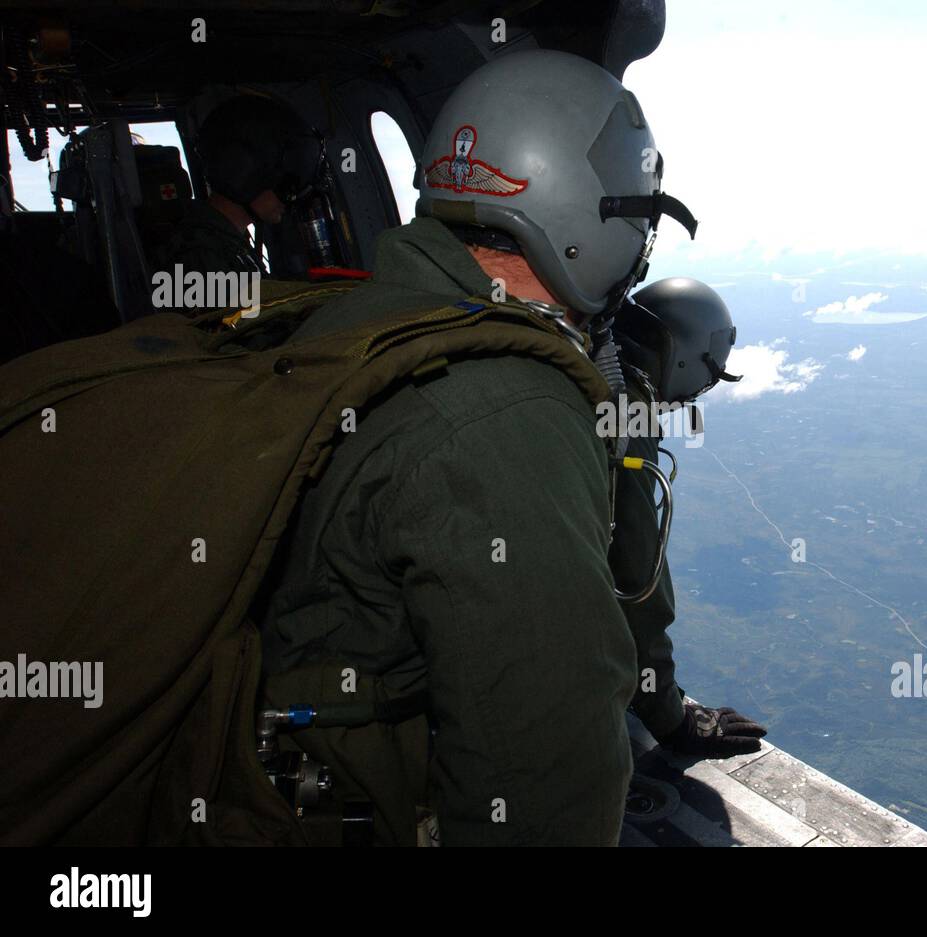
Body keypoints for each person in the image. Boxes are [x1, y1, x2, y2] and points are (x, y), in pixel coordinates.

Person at [255, 49, 698, 846]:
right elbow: (551, 776)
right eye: (637, 214)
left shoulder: (355, 317)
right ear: (586, 212)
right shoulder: (506, 409)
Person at [609, 277, 769, 757]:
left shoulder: (584, 371)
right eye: (703, 379)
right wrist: (674, 719)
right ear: (681, 358)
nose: (693, 396)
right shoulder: (624, 422)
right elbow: (637, 587)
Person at [162, 94, 321, 278]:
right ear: (244, 175)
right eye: (283, 183)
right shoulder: (200, 256)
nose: (290, 197)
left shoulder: (225, 242)